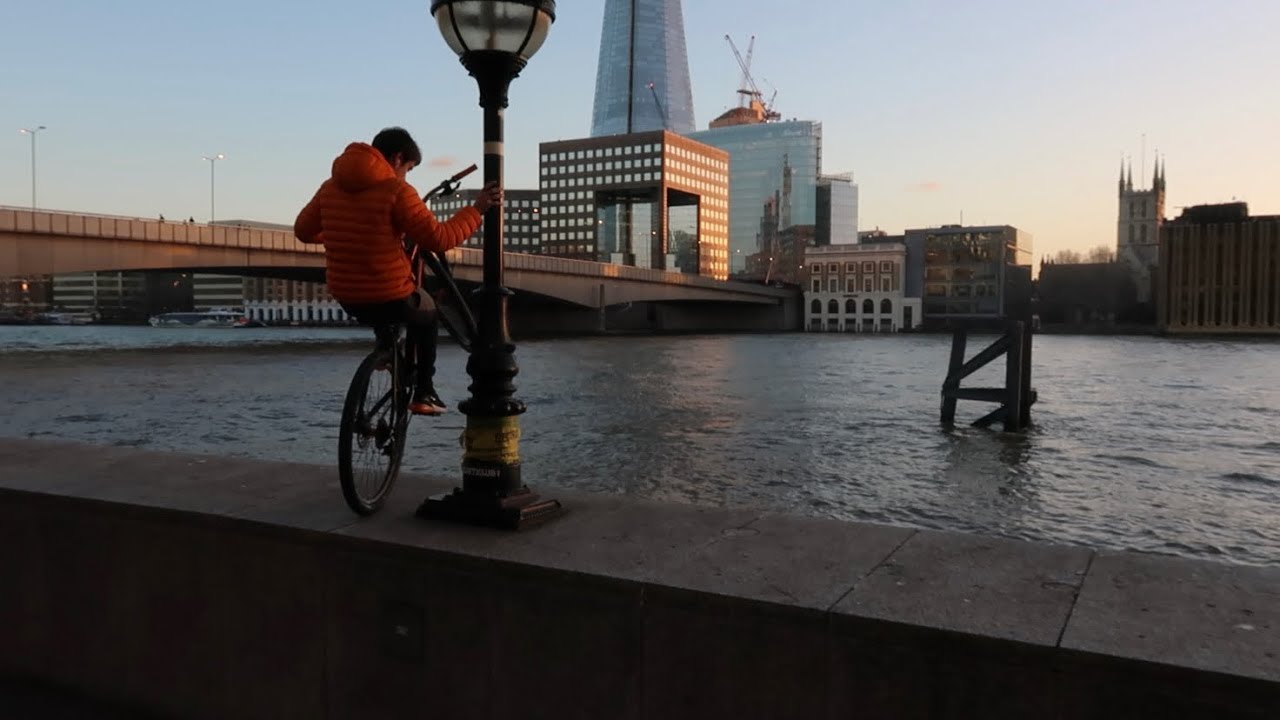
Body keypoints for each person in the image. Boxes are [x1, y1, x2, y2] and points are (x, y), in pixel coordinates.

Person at [294, 127, 500, 415]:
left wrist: (344, 234)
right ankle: (424, 392)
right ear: (398, 158)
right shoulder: (397, 190)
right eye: (409, 168)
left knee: (384, 304)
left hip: (347, 296)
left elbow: (303, 231)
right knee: (426, 312)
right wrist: (476, 210)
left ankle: (387, 353)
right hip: (389, 294)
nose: (406, 175)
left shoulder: (331, 186)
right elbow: (439, 239)